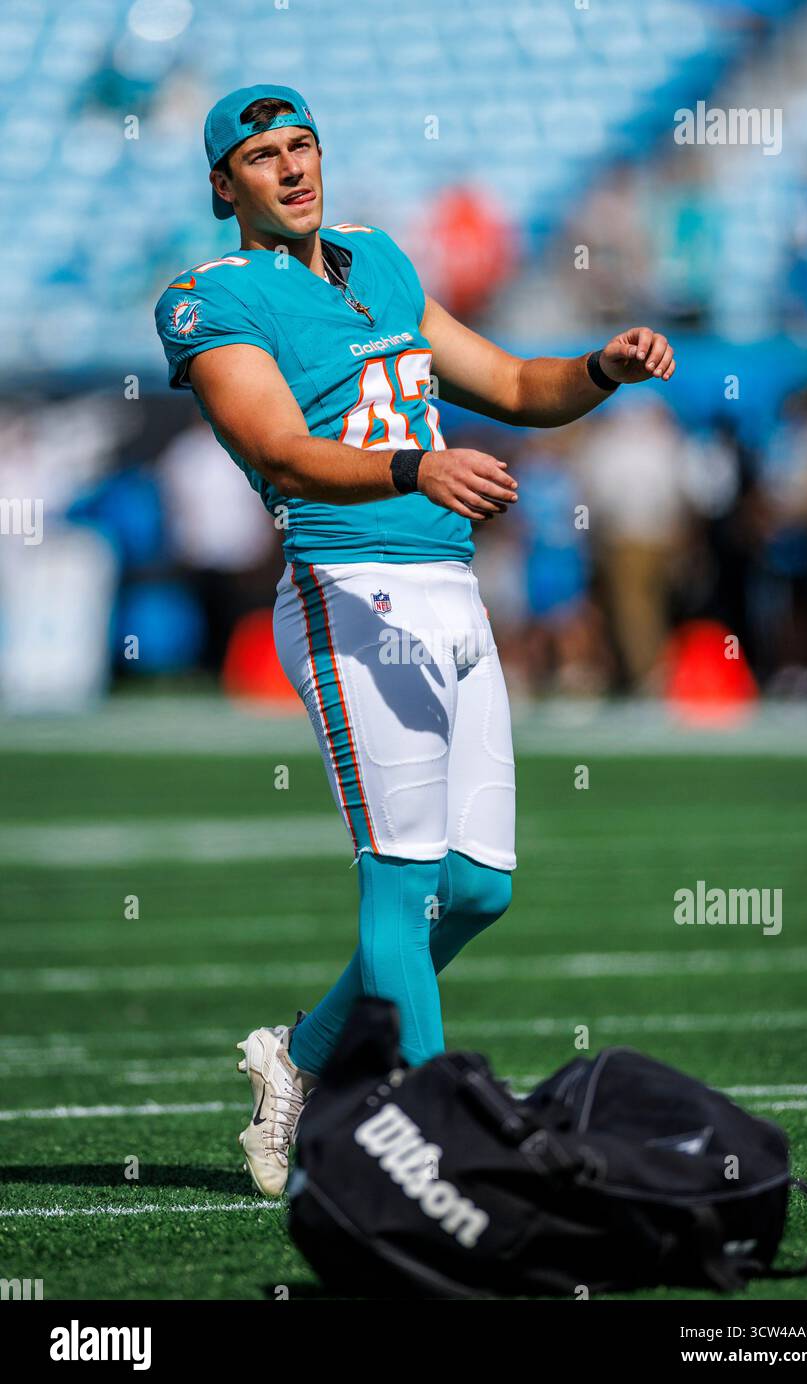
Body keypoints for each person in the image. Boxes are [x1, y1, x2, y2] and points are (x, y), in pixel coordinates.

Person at [154, 84, 677, 1197]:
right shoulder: (208, 298)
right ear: (222, 185)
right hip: (348, 588)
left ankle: (297, 1059)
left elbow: (516, 383)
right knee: (399, 880)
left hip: (446, 585)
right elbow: (280, 449)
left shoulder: (380, 263)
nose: (292, 169)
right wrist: (414, 465)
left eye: (303, 148)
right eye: (262, 158)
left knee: (476, 887)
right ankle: (439, 1147)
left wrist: (600, 368)